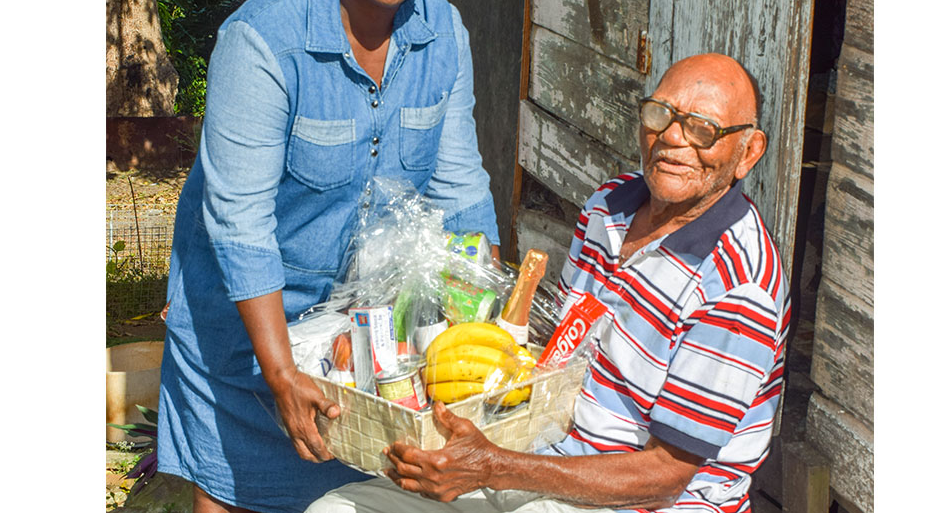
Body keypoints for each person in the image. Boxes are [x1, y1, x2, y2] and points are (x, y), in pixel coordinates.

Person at [156, 0, 501, 512]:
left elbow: (460, 192)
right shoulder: (261, 41)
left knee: (352, 491)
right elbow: (240, 221)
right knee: (233, 490)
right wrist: (281, 371)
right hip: (244, 315)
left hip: (357, 326)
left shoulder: (444, 35)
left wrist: (479, 328)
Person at [306, 53, 790, 513]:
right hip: (541, 458)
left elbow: (666, 474)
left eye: (703, 129)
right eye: (661, 113)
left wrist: (495, 467)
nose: (673, 138)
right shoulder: (610, 205)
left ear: (748, 152)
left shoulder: (739, 283)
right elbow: (559, 353)